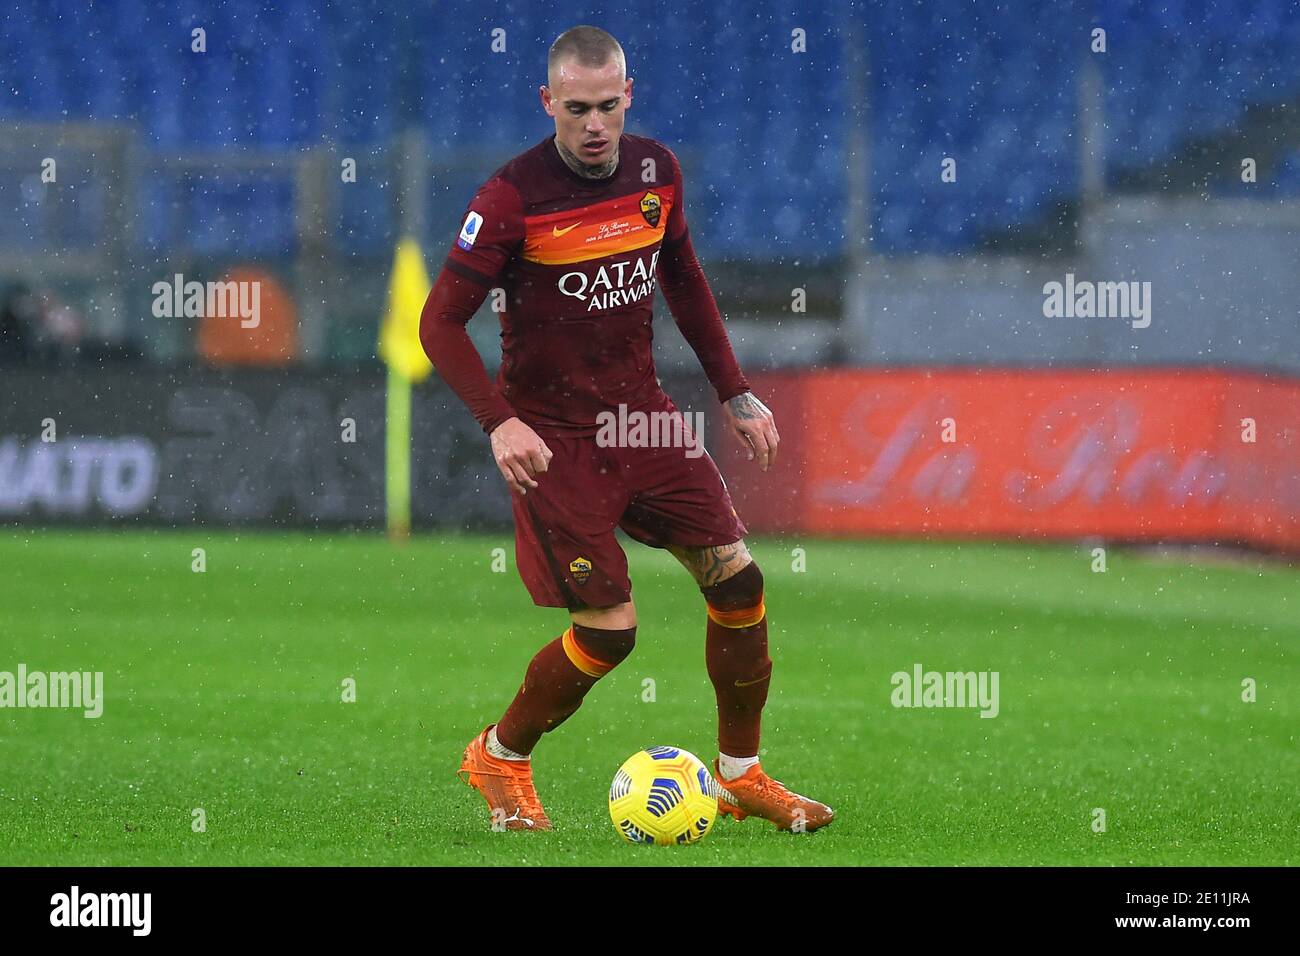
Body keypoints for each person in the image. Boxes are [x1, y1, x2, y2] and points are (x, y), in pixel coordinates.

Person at [420, 25, 833, 833]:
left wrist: (734, 392)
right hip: (555, 440)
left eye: (608, 105)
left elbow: (683, 277)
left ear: (628, 95)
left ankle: (741, 775)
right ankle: (499, 755)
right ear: (548, 103)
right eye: (577, 109)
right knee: (611, 634)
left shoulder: (655, 172)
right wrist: (499, 423)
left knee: (740, 584)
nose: (595, 125)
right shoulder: (510, 199)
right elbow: (439, 325)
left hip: (642, 422)